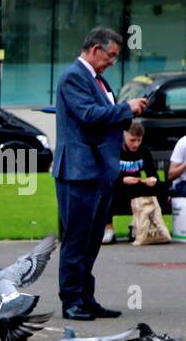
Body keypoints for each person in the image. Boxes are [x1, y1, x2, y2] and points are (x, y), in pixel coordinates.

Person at [53, 27, 148, 321]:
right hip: (79, 172)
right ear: (95, 49)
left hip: (98, 172)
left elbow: (102, 117)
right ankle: (71, 301)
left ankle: (85, 297)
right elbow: (89, 115)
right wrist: (125, 108)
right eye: (111, 56)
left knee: (92, 240)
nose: (112, 62)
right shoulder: (73, 77)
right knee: (77, 239)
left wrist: (127, 111)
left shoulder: (97, 80)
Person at [105, 120, 164, 244]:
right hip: (118, 187)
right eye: (132, 140)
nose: (136, 144)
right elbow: (107, 172)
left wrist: (152, 179)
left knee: (158, 187)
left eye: (139, 140)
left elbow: (152, 173)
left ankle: (136, 224)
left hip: (136, 188)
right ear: (124, 136)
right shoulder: (115, 150)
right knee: (106, 190)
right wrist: (121, 178)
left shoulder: (144, 152)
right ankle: (109, 229)